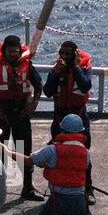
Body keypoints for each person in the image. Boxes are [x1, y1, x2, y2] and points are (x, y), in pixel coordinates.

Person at [0, 35, 43, 200]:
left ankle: (28, 188)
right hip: (2, 114)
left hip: (21, 114)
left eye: (16, 52)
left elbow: (39, 85)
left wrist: (33, 105)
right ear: (4, 51)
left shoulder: (27, 66)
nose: (14, 55)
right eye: (10, 52)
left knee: (24, 151)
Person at [43, 40, 95, 203]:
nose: (64, 57)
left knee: (82, 153)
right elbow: (48, 91)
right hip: (59, 116)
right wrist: (55, 74)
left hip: (79, 116)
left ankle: (88, 188)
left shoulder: (83, 68)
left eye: (68, 54)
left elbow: (86, 86)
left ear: (75, 55)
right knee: (57, 153)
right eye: (62, 53)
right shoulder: (56, 69)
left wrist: (76, 69)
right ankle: (56, 188)